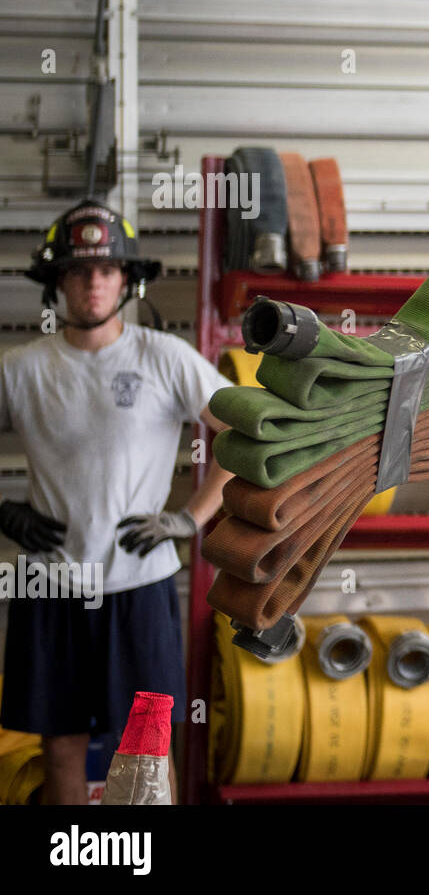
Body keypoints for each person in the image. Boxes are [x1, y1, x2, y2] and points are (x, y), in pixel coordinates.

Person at [0, 199, 233, 804]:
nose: (94, 282)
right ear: (58, 283)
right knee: (60, 749)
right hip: (50, 586)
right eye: (78, 271)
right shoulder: (20, 370)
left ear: (128, 280)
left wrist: (190, 516)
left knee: (148, 752)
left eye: (107, 270)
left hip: (142, 585)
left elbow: (245, 434)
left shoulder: (165, 357)